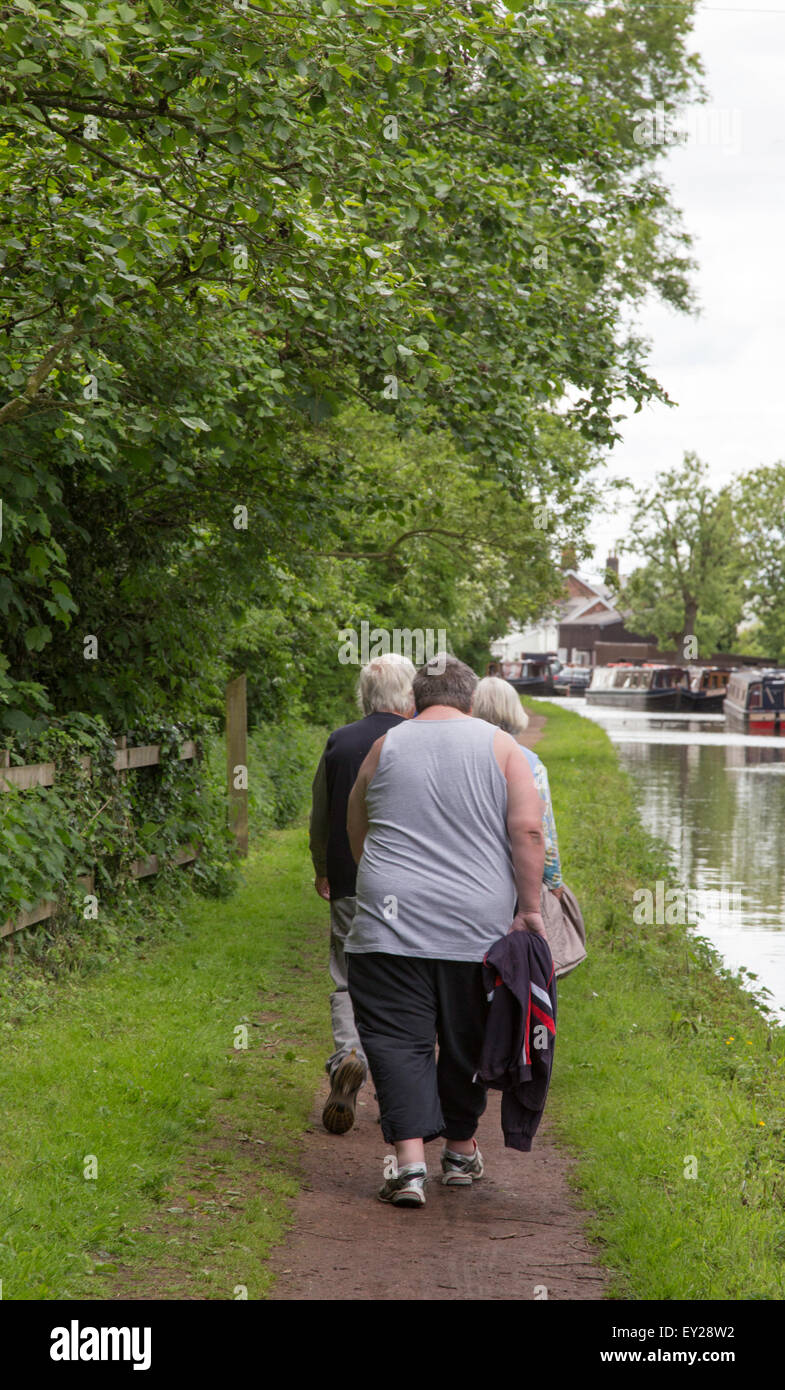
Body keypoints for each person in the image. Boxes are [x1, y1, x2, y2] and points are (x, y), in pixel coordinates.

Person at [344, 655, 545, 1207]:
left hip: (388, 924)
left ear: (415, 698)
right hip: (475, 927)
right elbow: (528, 830)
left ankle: (408, 1168)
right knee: (467, 1042)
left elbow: (356, 824)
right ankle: (459, 1153)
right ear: (471, 699)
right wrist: (529, 911)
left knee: (396, 1041)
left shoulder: (385, 746)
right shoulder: (504, 749)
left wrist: (380, 884)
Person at [310, 652, 415, 1134]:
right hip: (409, 887)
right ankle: (402, 1092)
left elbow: (322, 814)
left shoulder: (340, 741)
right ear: (408, 693)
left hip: (351, 881)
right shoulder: (417, 741)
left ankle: (348, 1053)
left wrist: (322, 867)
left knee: (346, 975)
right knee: (403, 983)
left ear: (365, 694)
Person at [472, 675, 563, 899]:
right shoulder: (529, 762)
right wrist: (554, 881)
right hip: (510, 879)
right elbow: (541, 828)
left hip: (465, 872)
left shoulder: (462, 756)